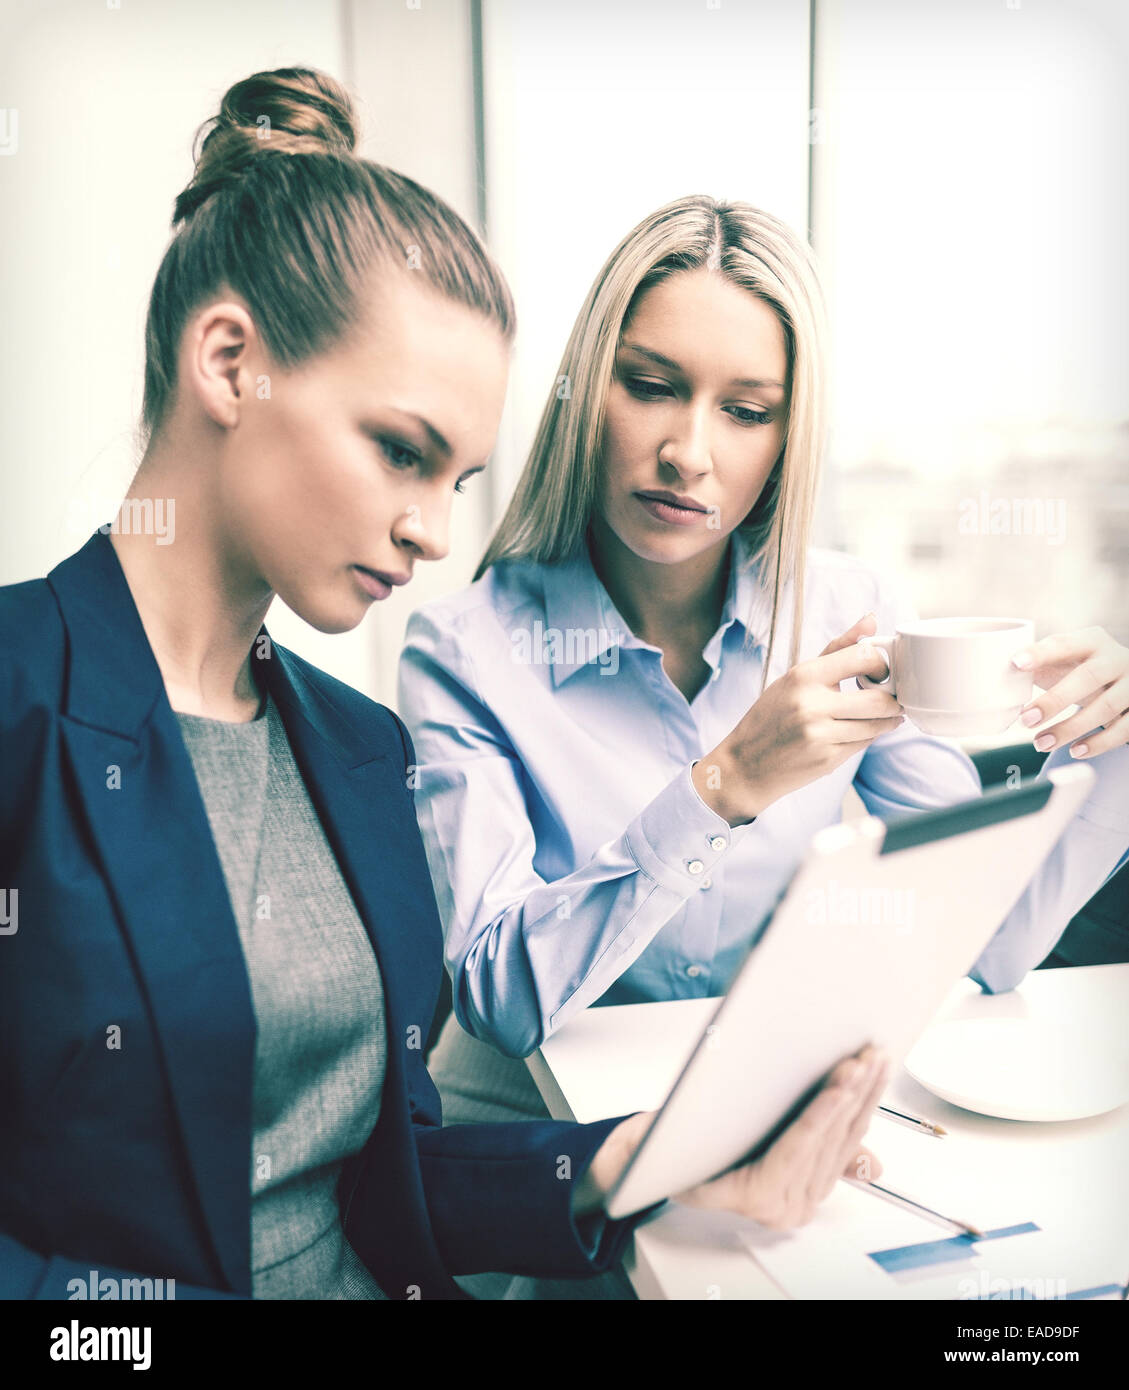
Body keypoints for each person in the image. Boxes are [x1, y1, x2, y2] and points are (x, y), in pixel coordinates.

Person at [0, 68, 890, 1303]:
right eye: (401, 451)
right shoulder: (15, 700)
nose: (429, 533)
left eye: (457, 480)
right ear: (227, 363)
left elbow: (377, 1179)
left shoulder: (358, 750)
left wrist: (630, 1165)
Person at [397, 195, 1129, 1296]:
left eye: (745, 410)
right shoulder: (465, 649)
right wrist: (722, 785)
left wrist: (1112, 747)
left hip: (773, 1155)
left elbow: (984, 945)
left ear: (789, 437)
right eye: (648, 384)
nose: (686, 451)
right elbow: (500, 993)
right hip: (571, 1183)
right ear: (583, 387)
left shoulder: (842, 605)